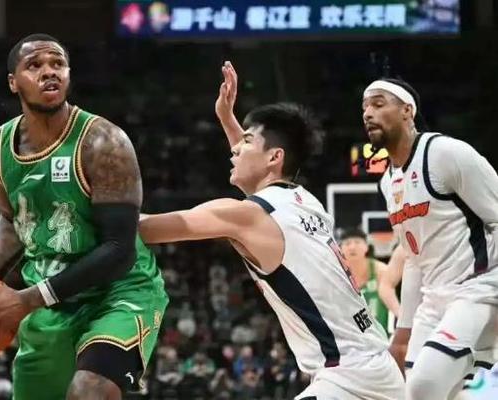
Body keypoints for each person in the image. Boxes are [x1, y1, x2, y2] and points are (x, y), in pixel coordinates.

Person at [139, 61, 405, 399]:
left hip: (349, 377)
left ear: (275, 157)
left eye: (247, 142)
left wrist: (83, 211)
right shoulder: (306, 201)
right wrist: (228, 120)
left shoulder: (246, 216)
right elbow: (261, 181)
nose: (235, 149)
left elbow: (146, 228)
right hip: (376, 367)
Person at [0, 33, 168, 399]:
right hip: (50, 301)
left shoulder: (104, 142)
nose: (49, 72)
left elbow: (119, 249)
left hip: (118, 292)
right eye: (35, 65)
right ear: (13, 82)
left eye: (57, 64)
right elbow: (13, 221)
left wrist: (26, 299)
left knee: (89, 389)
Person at [363, 77, 498, 400]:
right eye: (365, 107)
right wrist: (403, 330)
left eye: (378, 104)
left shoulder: (446, 153)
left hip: (477, 289)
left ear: (407, 111)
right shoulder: (388, 182)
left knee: (425, 385)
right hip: (433, 299)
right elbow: (414, 259)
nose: (368, 113)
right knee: (423, 393)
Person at [339, 227, 391, 333]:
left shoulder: (381, 271)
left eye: (357, 242)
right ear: (340, 249)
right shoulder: (337, 273)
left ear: (366, 247)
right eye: (347, 243)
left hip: (380, 334)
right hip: (348, 334)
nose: (352, 247)